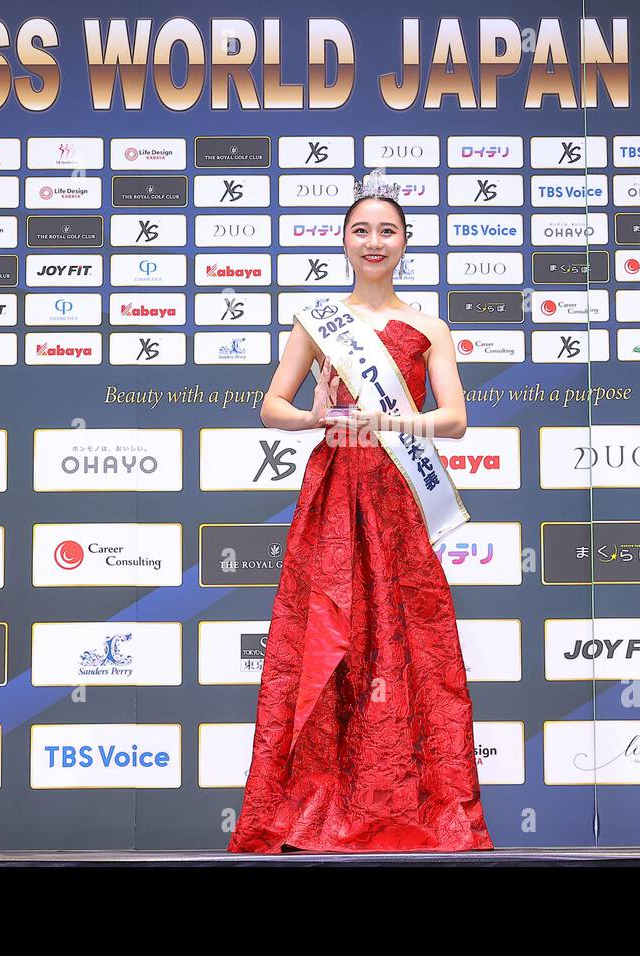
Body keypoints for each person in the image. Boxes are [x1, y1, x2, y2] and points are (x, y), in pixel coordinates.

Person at [227, 170, 494, 853]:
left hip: (398, 495)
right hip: (335, 492)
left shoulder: (427, 325)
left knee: (406, 643)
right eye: (361, 230)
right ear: (343, 242)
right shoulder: (319, 320)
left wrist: (395, 424)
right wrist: (314, 415)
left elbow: (456, 419)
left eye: (387, 230)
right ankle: (314, 811)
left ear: (405, 243)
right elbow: (271, 406)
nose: (374, 241)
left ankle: (412, 810)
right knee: (325, 638)